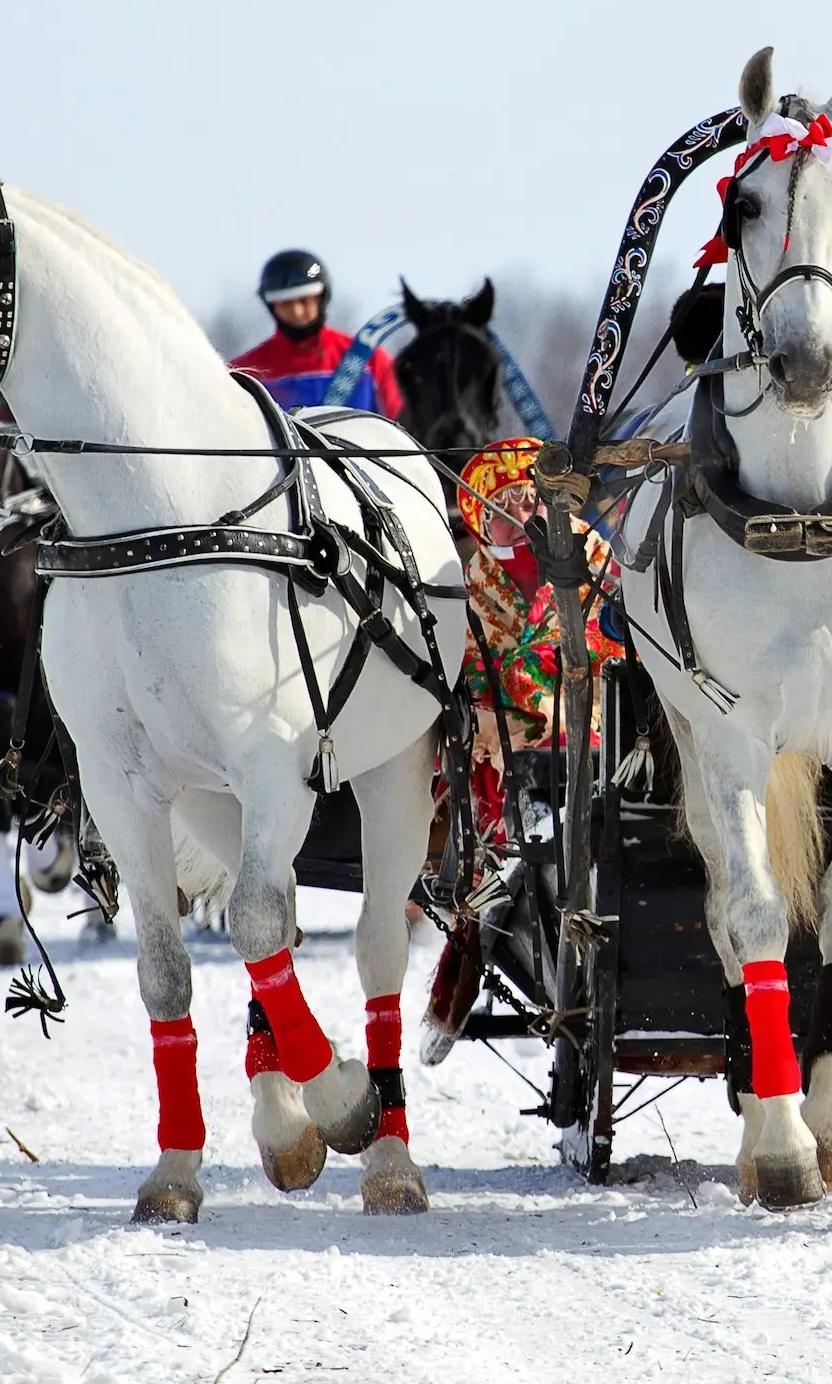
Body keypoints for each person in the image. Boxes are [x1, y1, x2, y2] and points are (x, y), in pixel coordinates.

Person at [418, 437, 625, 1061]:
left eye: (531, 498)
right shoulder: (470, 578)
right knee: (483, 783)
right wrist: (485, 715)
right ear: (483, 515)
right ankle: (490, 888)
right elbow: (462, 662)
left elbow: (618, 631)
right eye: (505, 502)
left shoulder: (590, 551)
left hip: (587, 718)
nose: (522, 511)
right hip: (504, 736)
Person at [231, 249, 406, 418]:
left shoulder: (368, 360)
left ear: (321, 297)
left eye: (304, 300)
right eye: (285, 303)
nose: (297, 312)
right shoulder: (245, 372)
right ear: (271, 305)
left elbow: (402, 430)